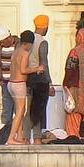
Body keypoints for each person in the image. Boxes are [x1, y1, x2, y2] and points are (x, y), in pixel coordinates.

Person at [6, 31, 45, 145]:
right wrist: (37, 68)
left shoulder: (16, 50)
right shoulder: (25, 52)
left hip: (11, 84)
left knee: (19, 111)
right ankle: (11, 138)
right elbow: (23, 70)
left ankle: (19, 137)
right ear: (29, 43)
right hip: (19, 84)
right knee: (20, 111)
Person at [27, 15, 52, 144]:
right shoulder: (42, 42)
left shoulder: (28, 39)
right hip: (40, 79)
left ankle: (26, 137)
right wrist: (50, 82)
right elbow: (44, 63)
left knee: (29, 109)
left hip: (27, 77)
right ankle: (37, 138)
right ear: (45, 26)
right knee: (39, 109)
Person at [64, 28, 84, 138]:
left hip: (75, 85)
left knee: (73, 110)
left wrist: (65, 83)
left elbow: (70, 68)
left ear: (78, 37)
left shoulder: (74, 51)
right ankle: (82, 133)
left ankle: (73, 134)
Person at [0, 27, 18, 126]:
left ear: (8, 38)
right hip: (5, 82)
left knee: (19, 109)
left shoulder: (19, 45)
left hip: (17, 82)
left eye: (2, 41)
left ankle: (19, 132)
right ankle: (4, 131)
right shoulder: (0, 47)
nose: (1, 44)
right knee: (6, 109)